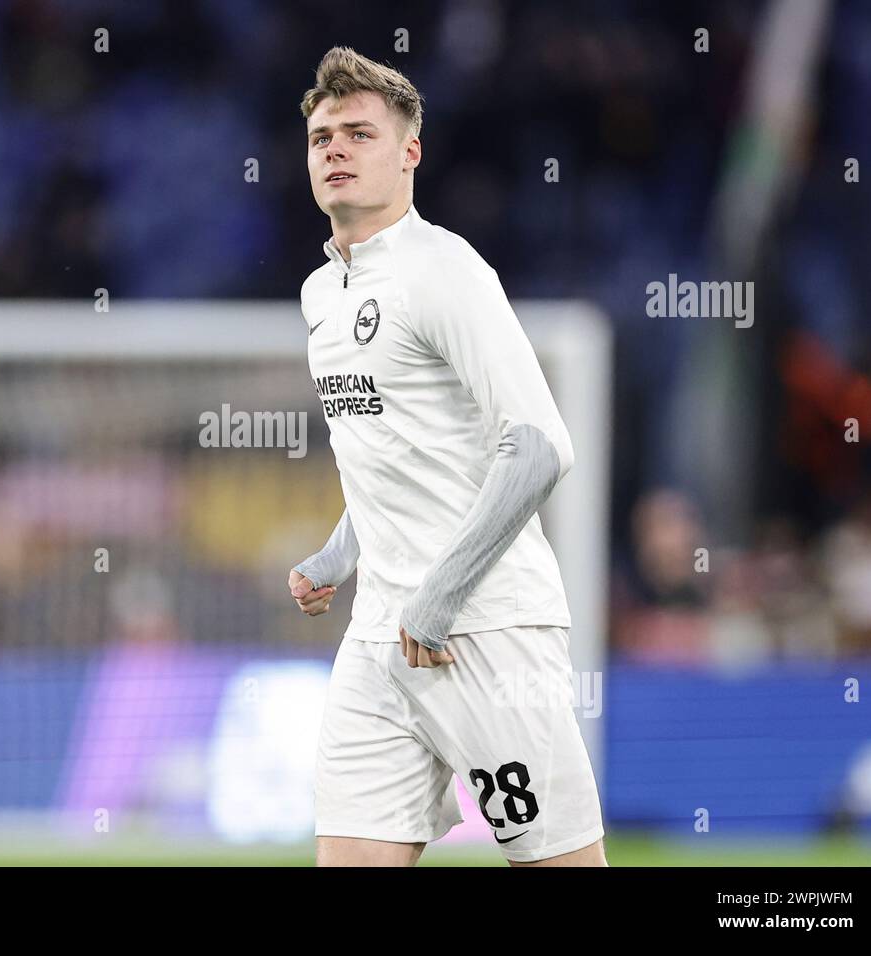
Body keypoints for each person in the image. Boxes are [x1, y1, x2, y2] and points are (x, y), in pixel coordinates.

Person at [288, 47, 606, 867]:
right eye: (323, 136)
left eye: (360, 133)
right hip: (379, 641)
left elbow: (540, 447)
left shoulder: (446, 270)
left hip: (485, 631)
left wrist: (437, 598)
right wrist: (337, 554)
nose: (336, 150)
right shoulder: (322, 294)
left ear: (409, 152)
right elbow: (395, 457)